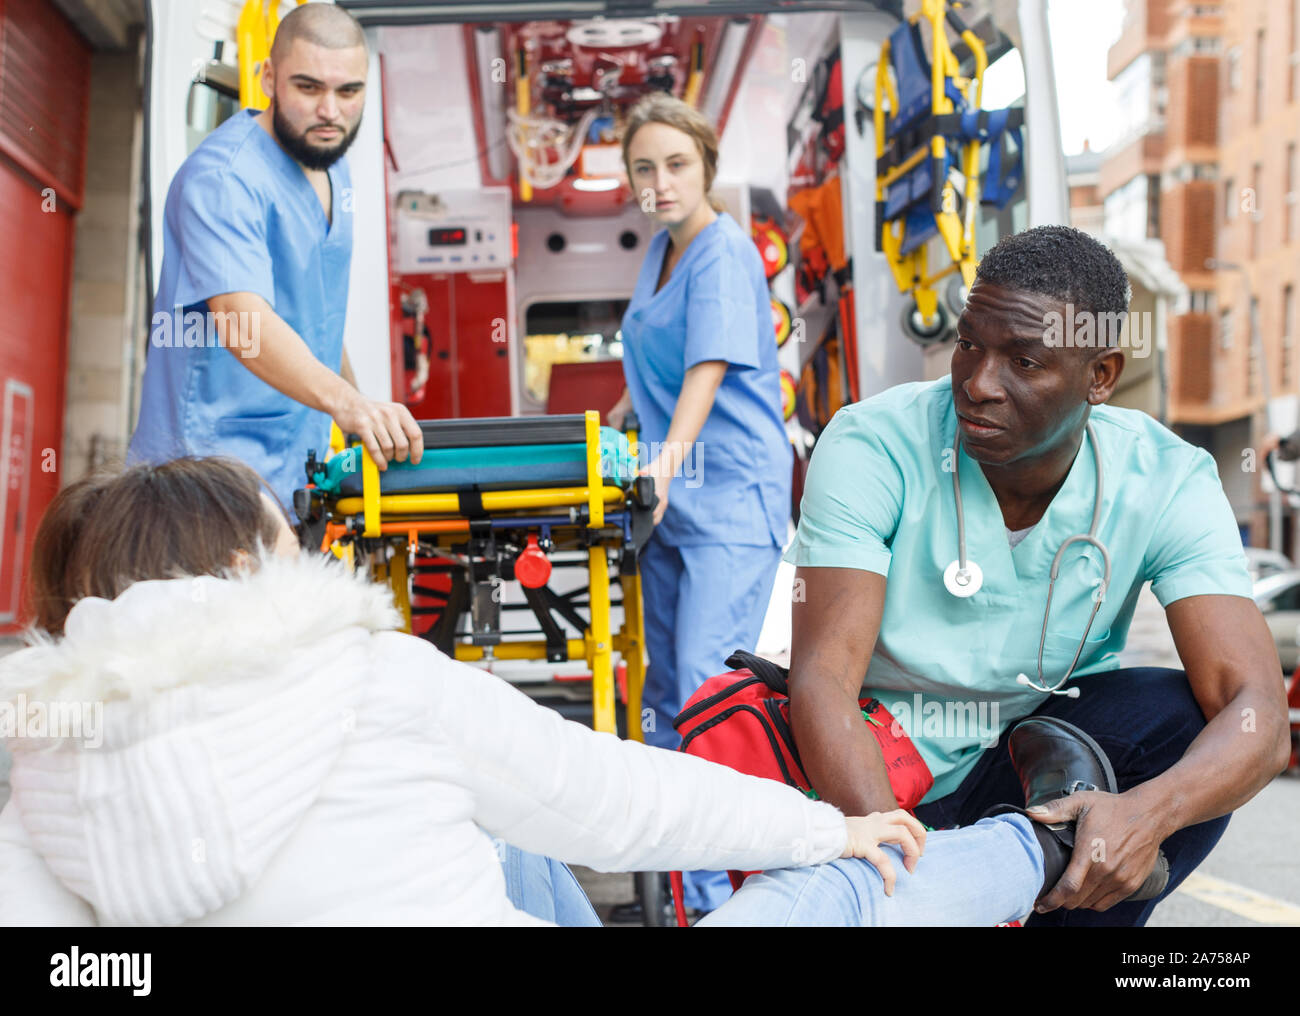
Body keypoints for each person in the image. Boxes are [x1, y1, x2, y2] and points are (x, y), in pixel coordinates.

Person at [0, 457, 1100, 927]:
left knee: (501, 826)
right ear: (244, 567)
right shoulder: (368, 672)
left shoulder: (42, 772)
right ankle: (1043, 845)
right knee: (831, 891)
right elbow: (617, 798)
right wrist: (827, 826)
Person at [784, 225, 1292, 926]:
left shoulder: (1165, 477)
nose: (978, 384)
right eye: (969, 344)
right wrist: (903, 875)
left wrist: (1145, 814)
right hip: (882, 769)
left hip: (1034, 776)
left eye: (1023, 361)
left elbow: (1259, 716)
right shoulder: (873, 442)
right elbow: (822, 682)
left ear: (1101, 376)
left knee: (1176, 717)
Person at [127, 3, 422, 517]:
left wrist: (359, 423)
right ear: (268, 78)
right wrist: (348, 405)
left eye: (348, 92)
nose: (330, 110)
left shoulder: (330, 165)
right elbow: (245, 325)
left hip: (290, 470)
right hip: (205, 476)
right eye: (308, 88)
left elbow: (319, 321)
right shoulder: (223, 180)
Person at [609, 93, 792, 914]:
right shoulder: (660, 252)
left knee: (704, 694)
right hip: (675, 503)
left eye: (675, 165)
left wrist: (664, 463)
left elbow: (706, 369)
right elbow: (657, 354)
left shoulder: (722, 251)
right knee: (662, 698)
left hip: (728, 498)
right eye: (643, 169)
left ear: (707, 168)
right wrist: (614, 422)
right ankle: (684, 888)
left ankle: (724, 899)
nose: (660, 182)